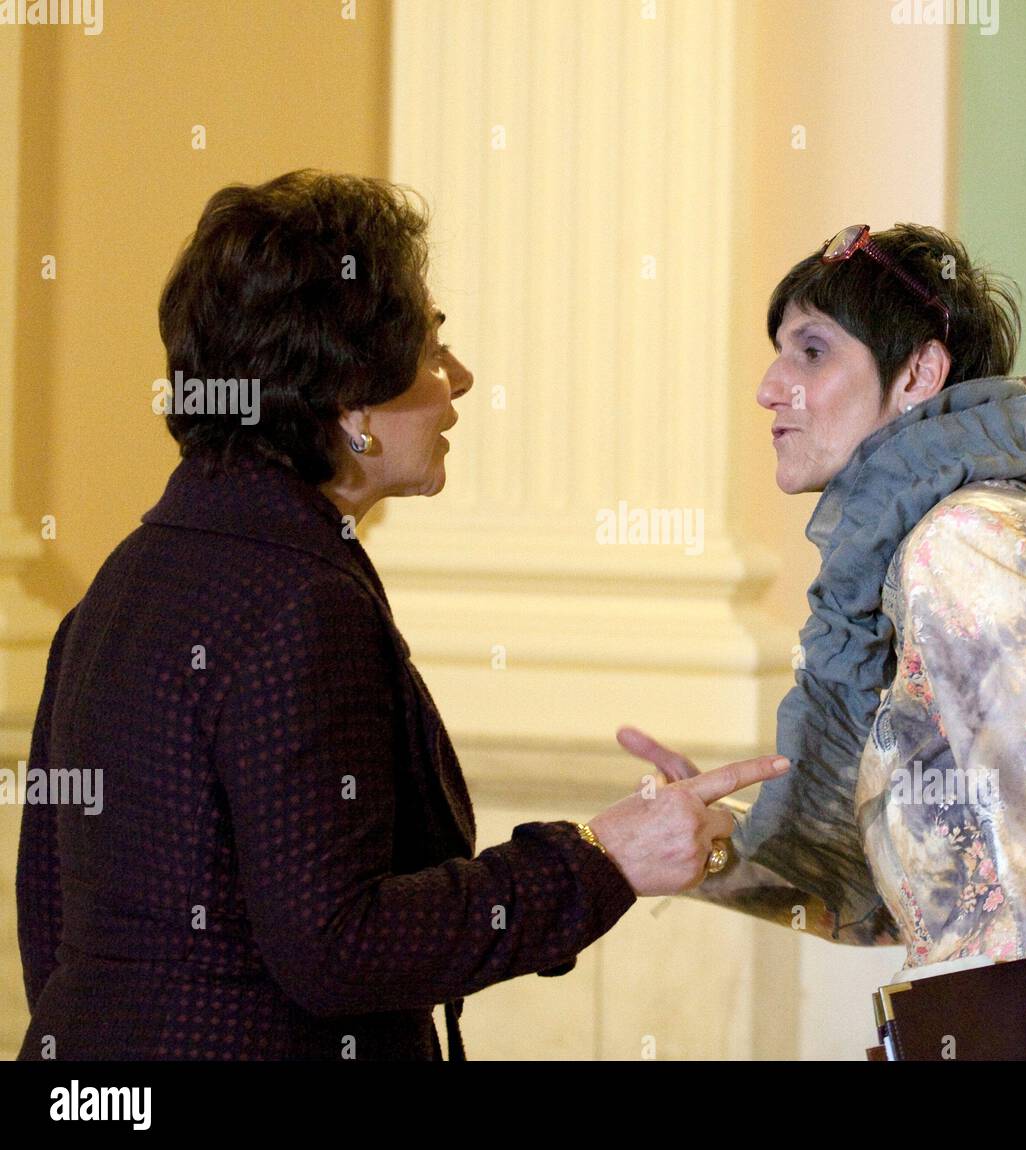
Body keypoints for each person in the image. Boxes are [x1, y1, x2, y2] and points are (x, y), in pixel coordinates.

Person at [15, 170, 788, 1062]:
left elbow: (52, 927)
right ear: (348, 403)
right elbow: (340, 948)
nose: (458, 379)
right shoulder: (300, 602)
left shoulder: (122, 582)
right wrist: (600, 858)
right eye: (428, 351)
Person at [620, 223, 1026, 1060]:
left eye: (811, 352)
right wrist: (716, 847)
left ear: (919, 374)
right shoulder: (998, 522)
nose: (772, 388)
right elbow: (957, 875)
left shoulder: (966, 547)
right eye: (779, 352)